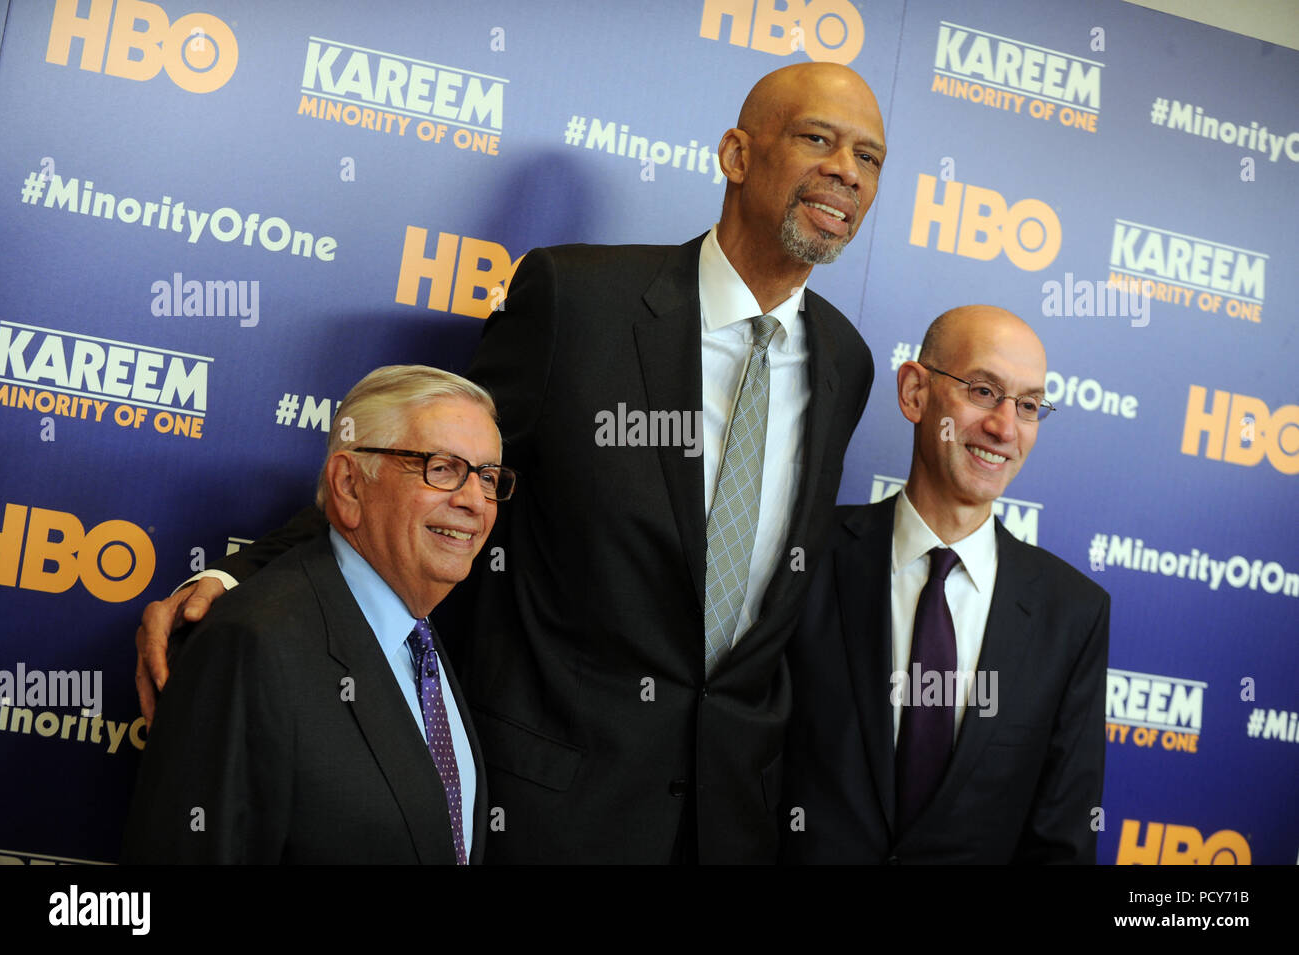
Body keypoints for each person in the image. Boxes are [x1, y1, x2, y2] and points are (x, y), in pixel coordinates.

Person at [135, 62, 887, 863]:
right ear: (737, 154)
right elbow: (422, 470)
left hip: (731, 823)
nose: (846, 169)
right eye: (818, 139)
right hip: (550, 814)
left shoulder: (847, 362)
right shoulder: (579, 302)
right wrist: (236, 580)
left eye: (869, 156)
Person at [122, 366, 511, 863]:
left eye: (488, 477)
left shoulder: (423, 639)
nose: (475, 501)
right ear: (349, 485)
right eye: (441, 469)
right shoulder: (252, 645)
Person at [779, 306, 1109, 864]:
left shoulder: (1072, 613)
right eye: (983, 391)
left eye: (1028, 405)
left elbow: (1063, 842)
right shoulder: (805, 555)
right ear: (914, 393)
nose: (1005, 427)